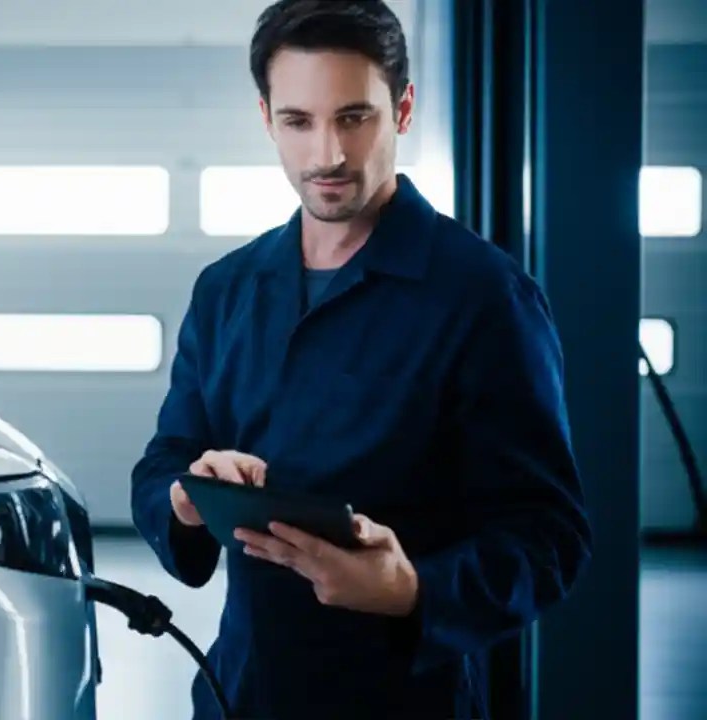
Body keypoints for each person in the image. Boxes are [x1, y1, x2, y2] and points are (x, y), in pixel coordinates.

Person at [129, 1, 593, 718]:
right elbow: (165, 459)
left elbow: (549, 537)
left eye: (354, 116)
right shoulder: (226, 289)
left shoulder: (483, 297)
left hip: (404, 698)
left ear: (402, 110)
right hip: (239, 691)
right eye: (299, 122)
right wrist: (187, 499)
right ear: (266, 118)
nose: (328, 155)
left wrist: (412, 588)